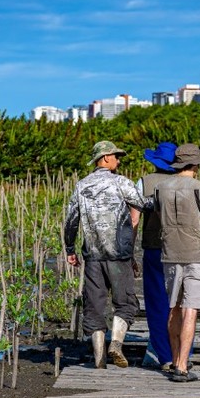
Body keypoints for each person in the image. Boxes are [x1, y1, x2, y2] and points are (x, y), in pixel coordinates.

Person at [64, 140, 146, 368]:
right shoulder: (121, 183)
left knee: (94, 305)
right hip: (119, 255)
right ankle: (117, 343)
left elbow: (71, 220)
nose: (119, 161)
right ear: (106, 158)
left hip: (93, 256)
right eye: (117, 157)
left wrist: (70, 248)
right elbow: (142, 204)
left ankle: (99, 357)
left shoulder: (81, 186)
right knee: (126, 303)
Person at [153, 144, 200, 382]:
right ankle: (182, 366)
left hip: (169, 253)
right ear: (196, 164)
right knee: (190, 309)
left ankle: (174, 360)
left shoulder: (160, 188)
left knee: (173, 308)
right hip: (197, 254)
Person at [130, 142, 177, 371]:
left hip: (154, 247)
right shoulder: (189, 182)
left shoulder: (144, 182)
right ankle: (182, 352)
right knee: (180, 301)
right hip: (182, 249)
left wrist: (129, 252)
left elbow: (134, 220)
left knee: (157, 301)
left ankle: (165, 355)